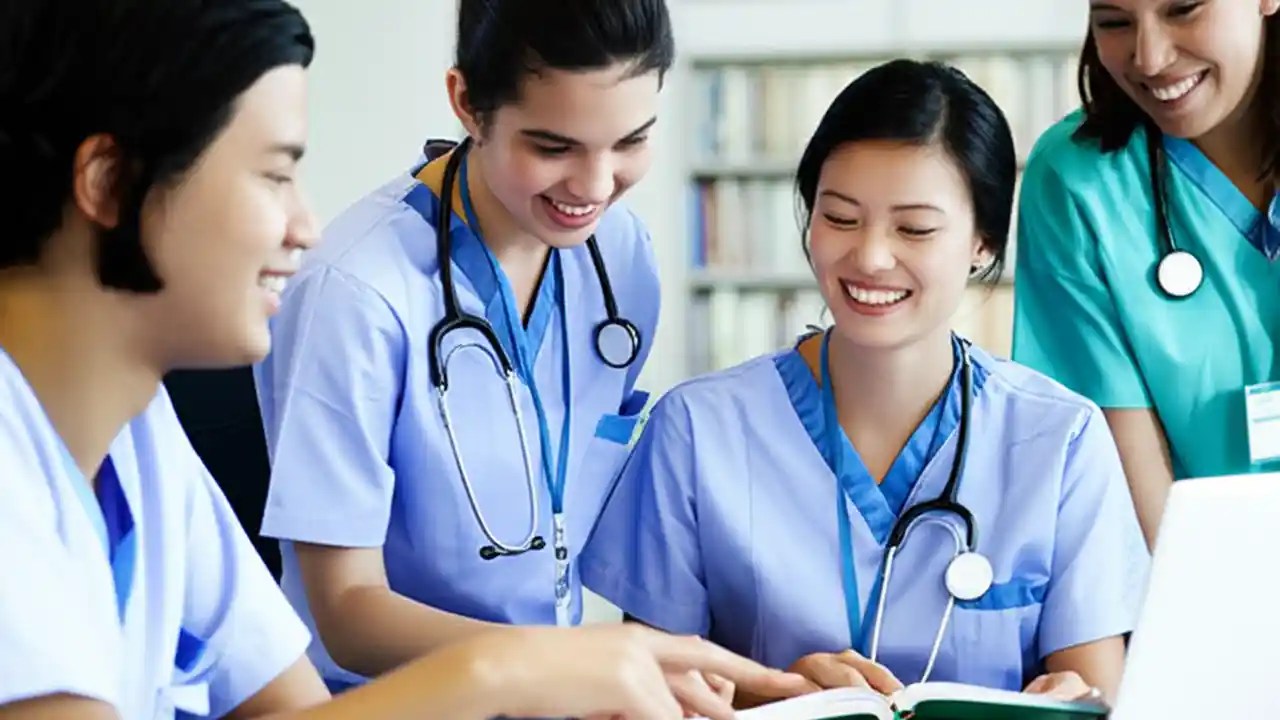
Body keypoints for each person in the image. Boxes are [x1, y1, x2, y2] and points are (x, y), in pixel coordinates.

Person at [0, 1, 808, 718]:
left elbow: (285, 709)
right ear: (108, 181)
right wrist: (515, 670)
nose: (305, 227)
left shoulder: (141, 437)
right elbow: (345, 631)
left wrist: (705, 674)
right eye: (275, 175)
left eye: (630, 139)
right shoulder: (353, 288)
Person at [579, 59, 1151, 708]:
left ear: (983, 242)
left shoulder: (1060, 439)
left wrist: (1070, 699)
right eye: (842, 218)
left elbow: (1098, 696)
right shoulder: (697, 430)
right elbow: (648, 695)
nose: (871, 256)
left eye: (915, 228)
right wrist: (779, 696)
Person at [1011, 0, 1280, 548]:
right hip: (1201, 589)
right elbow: (1128, 492)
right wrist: (1202, 621)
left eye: (1183, 10)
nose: (1150, 58)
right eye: (1114, 23)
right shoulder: (1079, 182)